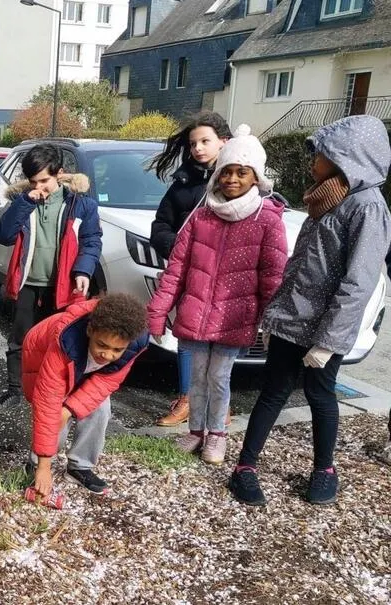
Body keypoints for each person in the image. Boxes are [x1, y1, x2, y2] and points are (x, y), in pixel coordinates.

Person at [229, 115, 391, 507]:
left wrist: (329, 341)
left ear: (345, 157)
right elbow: (300, 264)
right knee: (273, 392)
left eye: (319, 154)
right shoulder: (327, 196)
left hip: (323, 330)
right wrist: (275, 316)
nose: (312, 160)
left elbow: (358, 282)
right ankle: (245, 468)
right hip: (292, 320)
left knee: (321, 395)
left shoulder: (367, 208)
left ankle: (324, 468)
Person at [146, 125, 288, 464]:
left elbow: (273, 276)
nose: (233, 179)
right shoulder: (201, 217)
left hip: (233, 317)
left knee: (220, 378)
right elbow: (177, 269)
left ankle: (217, 434)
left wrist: (271, 321)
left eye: (242, 172)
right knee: (196, 377)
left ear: (256, 177)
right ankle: (196, 431)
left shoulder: (267, 220)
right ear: (217, 175)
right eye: (227, 172)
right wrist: (158, 310)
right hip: (196, 312)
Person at [0, 143, 102, 407]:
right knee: (21, 338)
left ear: (60, 174)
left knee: (60, 339)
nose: (39, 187)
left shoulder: (80, 204)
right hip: (28, 282)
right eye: (33, 182)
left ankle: (53, 390)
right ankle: (15, 390)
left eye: (44, 180)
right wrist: (24, 202)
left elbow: (91, 240)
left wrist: (83, 270)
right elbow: (3, 235)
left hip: (61, 285)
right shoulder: (24, 201)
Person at [147, 111, 232, 428]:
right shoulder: (183, 184)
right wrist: (180, 251)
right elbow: (161, 226)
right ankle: (187, 399)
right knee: (187, 335)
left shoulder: (239, 180)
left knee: (221, 343)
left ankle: (220, 406)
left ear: (224, 141)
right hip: (191, 275)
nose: (198, 148)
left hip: (225, 279)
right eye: (194, 143)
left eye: (205, 141)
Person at [25, 294, 149, 498]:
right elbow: (47, 403)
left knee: (100, 409)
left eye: (117, 350)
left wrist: (70, 410)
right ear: (90, 331)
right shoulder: (66, 339)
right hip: (42, 356)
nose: (108, 356)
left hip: (85, 367)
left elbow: (105, 383)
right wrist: (44, 468)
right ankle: (38, 462)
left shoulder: (132, 343)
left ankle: (79, 467)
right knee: (54, 414)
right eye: (102, 345)